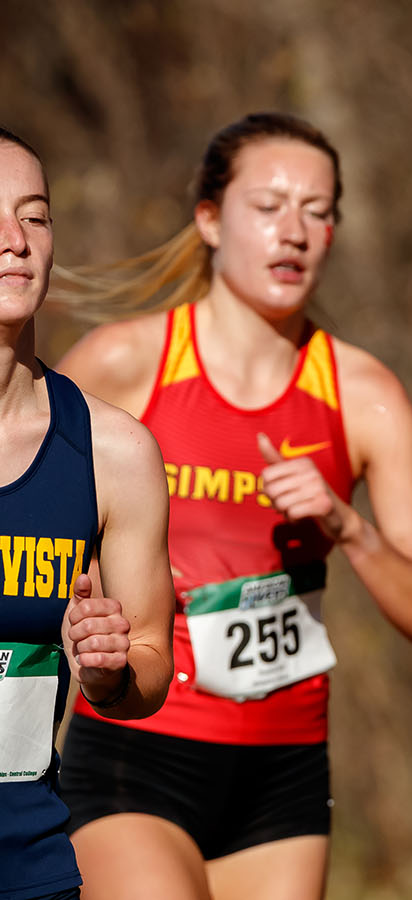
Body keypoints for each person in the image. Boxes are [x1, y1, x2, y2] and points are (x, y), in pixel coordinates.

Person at [49, 113, 412, 900]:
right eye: (270, 205)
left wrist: (349, 530)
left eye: (318, 211)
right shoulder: (125, 363)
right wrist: (87, 592)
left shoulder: (364, 394)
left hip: (283, 775)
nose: (296, 232)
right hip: (136, 751)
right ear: (209, 219)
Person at [0, 127, 173, 900]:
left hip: (30, 868)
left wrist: (106, 672)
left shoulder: (115, 452)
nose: (15, 242)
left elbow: (149, 664)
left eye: (34, 217)